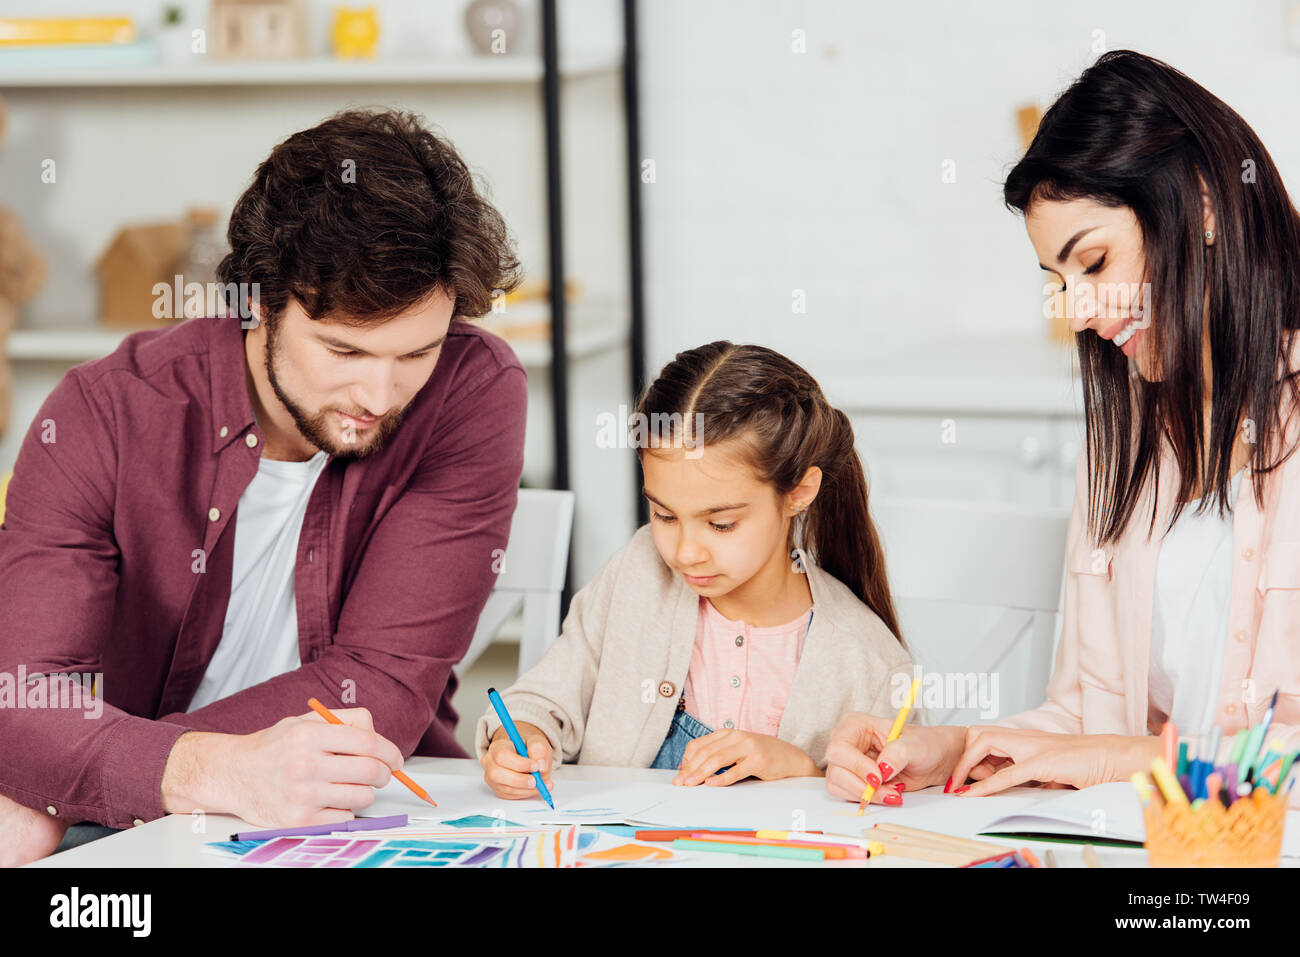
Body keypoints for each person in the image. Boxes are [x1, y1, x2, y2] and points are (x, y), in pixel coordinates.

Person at [0, 109, 527, 865]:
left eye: (415, 351)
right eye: (343, 348)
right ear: (261, 299)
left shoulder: (472, 389)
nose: (378, 393)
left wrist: (82, 771)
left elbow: (381, 681)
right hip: (121, 841)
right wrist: (198, 772)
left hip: (359, 819)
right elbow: (25, 698)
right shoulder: (106, 411)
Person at [826, 50, 1300, 804]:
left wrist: (1128, 759)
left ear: (1206, 205)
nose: (1076, 310)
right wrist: (952, 747)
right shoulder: (1122, 445)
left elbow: (1129, 752)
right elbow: (1089, 717)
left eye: (1095, 261)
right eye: (1059, 281)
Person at [478, 341, 913, 800]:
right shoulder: (637, 575)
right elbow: (546, 697)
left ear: (799, 492)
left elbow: (883, 807)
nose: (685, 552)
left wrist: (802, 770)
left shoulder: (868, 661)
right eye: (664, 515)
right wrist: (520, 737)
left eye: (720, 523)